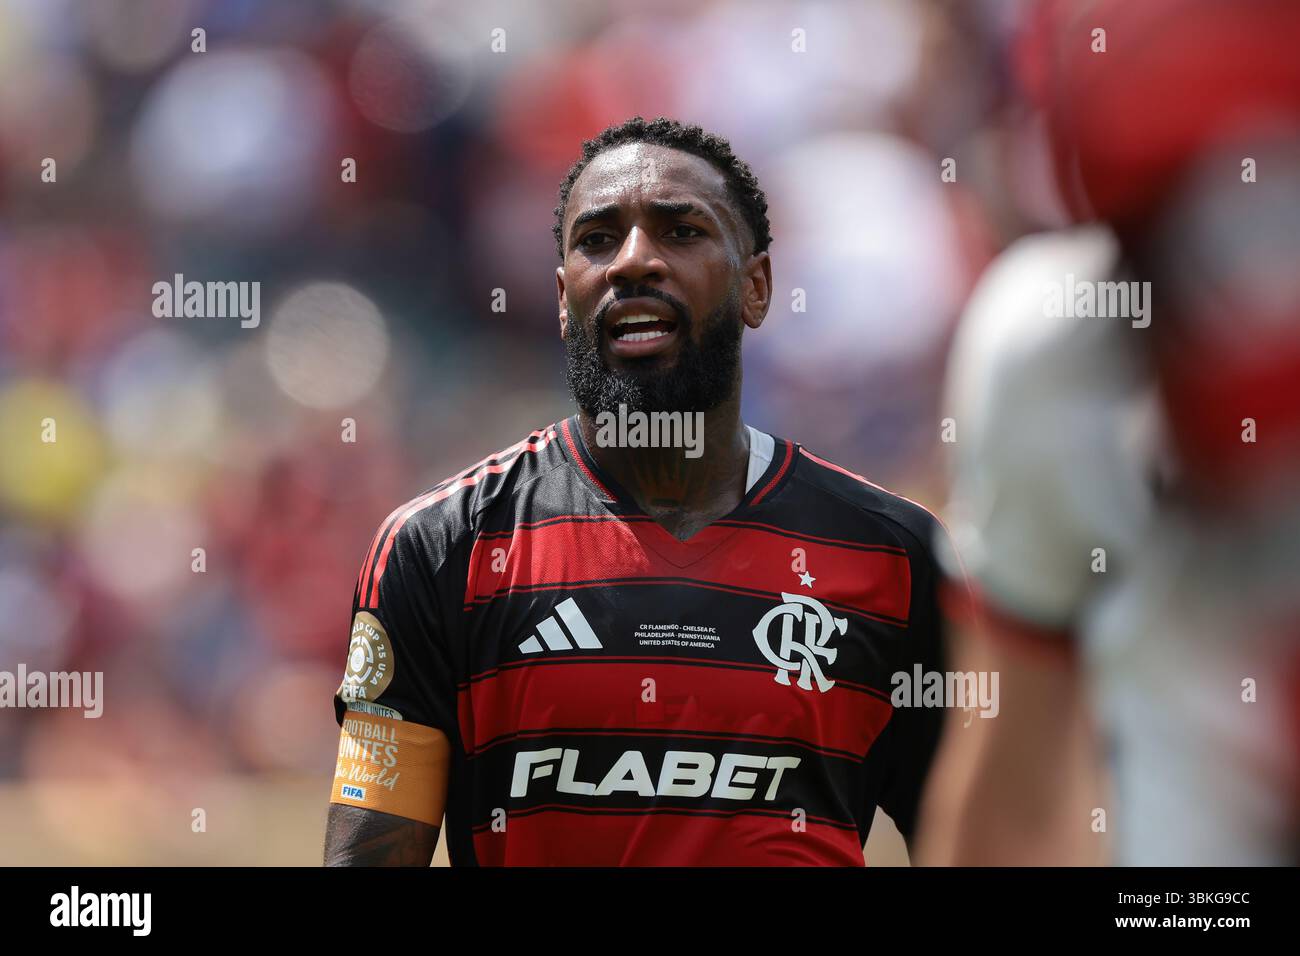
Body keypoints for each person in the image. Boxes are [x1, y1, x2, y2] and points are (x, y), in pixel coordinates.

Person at [324, 117, 952, 866]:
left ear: (756, 287)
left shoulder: (896, 559)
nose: (632, 261)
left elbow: (984, 839)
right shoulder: (441, 549)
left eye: (681, 232)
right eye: (596, 239)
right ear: (563, 300)